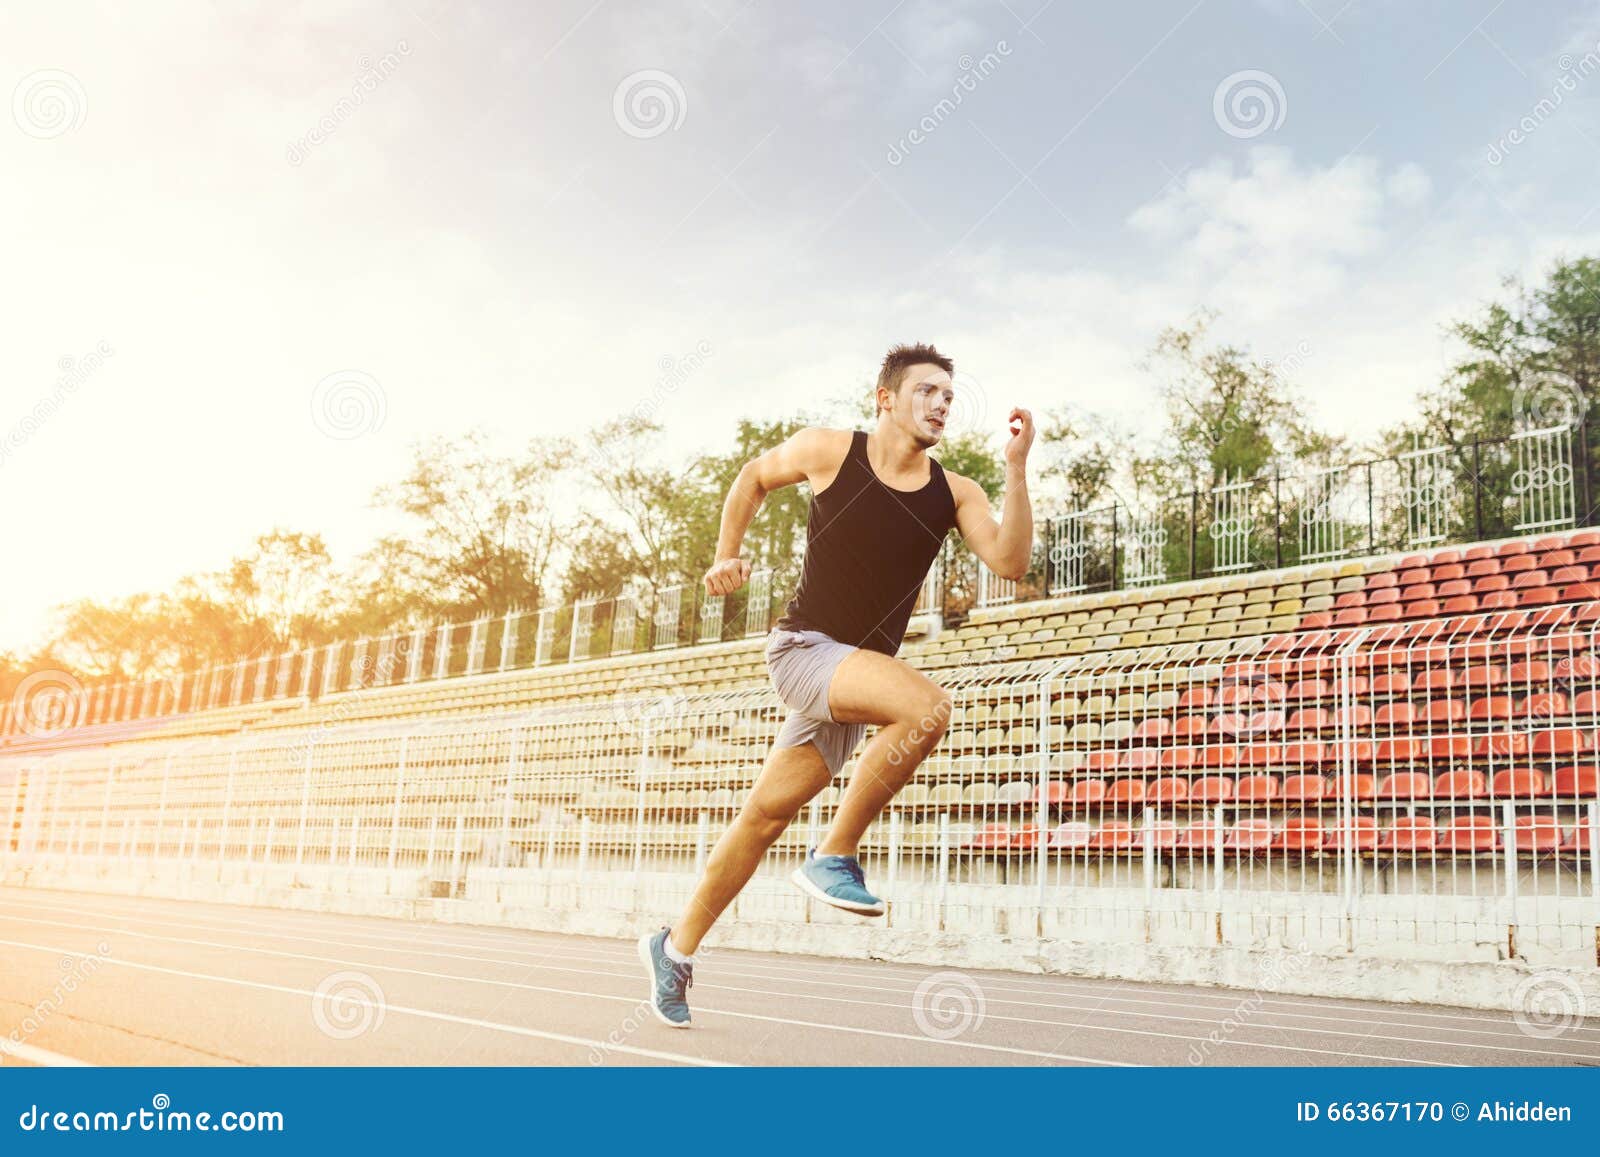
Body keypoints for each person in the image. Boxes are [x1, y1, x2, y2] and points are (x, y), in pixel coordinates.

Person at [639, 342, 1034, 1027]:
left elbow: (1011, 559)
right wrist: (726, 552)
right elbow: (752, 477)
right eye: (927, 390)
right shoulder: (828, 450)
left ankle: (672, 948)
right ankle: (835, 854)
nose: (942, 402)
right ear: (885, 398)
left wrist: (1017, 469)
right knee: (928, 706)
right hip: (805, 649)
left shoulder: (954, 492)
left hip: (854, 674)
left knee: (763, 818)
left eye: (949, 393)